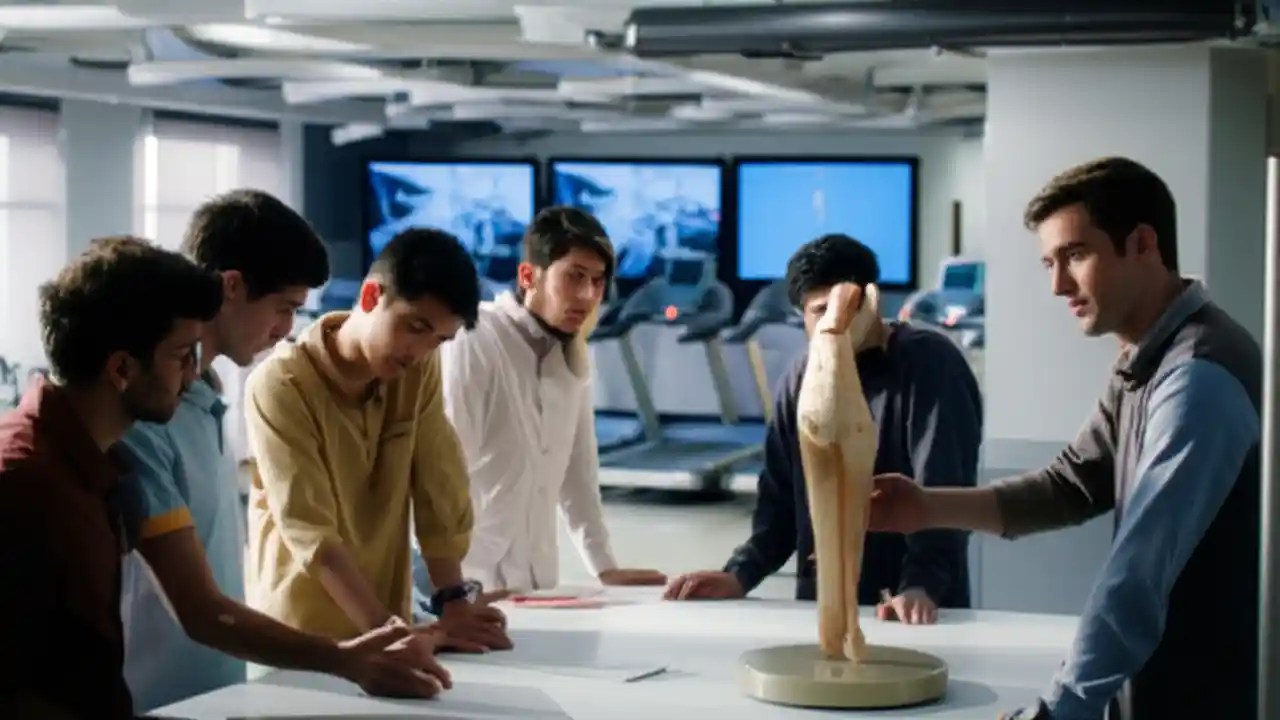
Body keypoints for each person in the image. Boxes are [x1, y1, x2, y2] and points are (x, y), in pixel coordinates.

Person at [870, 157, 1260, 720]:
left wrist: (1059, 710)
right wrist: (925, 506)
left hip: (1205, 693)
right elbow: (1071, 485)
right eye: (1049, 263)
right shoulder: (1144, 357)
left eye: (1076, 255)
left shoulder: (1197, 376)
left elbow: (1139, 571)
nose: (1057, 286)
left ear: (1142, 242)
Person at [0, 237, 444, 720]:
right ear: (122, 369)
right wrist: (343, 658)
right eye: (179, 356)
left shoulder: (98, 462)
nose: (192, 375)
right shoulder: (26, 483)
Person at [119, 190, 424, 710]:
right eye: (284, 308)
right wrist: (343, 656)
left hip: (220, 694)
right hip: (159, 702)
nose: (286, 331)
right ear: (231, 287)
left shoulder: (208, 395)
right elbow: (198, 609)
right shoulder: (148, 416)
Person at [664, 234, 981, 624]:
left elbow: (944, 489)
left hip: (917, 607)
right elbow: (779, 497)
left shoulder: (931, 364)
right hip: (825, 602)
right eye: (819, 311)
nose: (835, 322)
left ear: (871, 300)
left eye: (844, 306)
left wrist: (921, 585)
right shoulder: (800, 378)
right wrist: (739, 574)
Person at [243, 226, 512, 656]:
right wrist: (391, 635)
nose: (420, 350)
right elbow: (312, 533)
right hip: (304, 641)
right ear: (370, 297)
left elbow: (438, 489)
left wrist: (453, 600)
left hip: (390, 627)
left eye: (438, 340)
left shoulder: (417, 369)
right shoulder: (281, 385)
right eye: (414, 327)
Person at [438, 206, 667, 592]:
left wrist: (604, 566)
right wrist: (446, 589)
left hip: (537, 579)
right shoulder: (477, 338)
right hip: (466, 579)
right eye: (575, 277)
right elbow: (445, 471)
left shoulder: (570, 354)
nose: (588, 295)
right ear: (528, 275)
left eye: (597, 281)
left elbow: (579, 472)